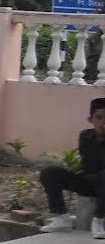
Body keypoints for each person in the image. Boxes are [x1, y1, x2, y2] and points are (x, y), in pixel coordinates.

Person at [37, 97, 105, 236]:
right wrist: (74, 171)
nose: (103, 122)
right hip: (88, 181)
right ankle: (62, 218)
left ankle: (99, 221)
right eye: (99, 117)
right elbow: (87, 161)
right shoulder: (85, 136)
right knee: (49, 172)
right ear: (90, 120)